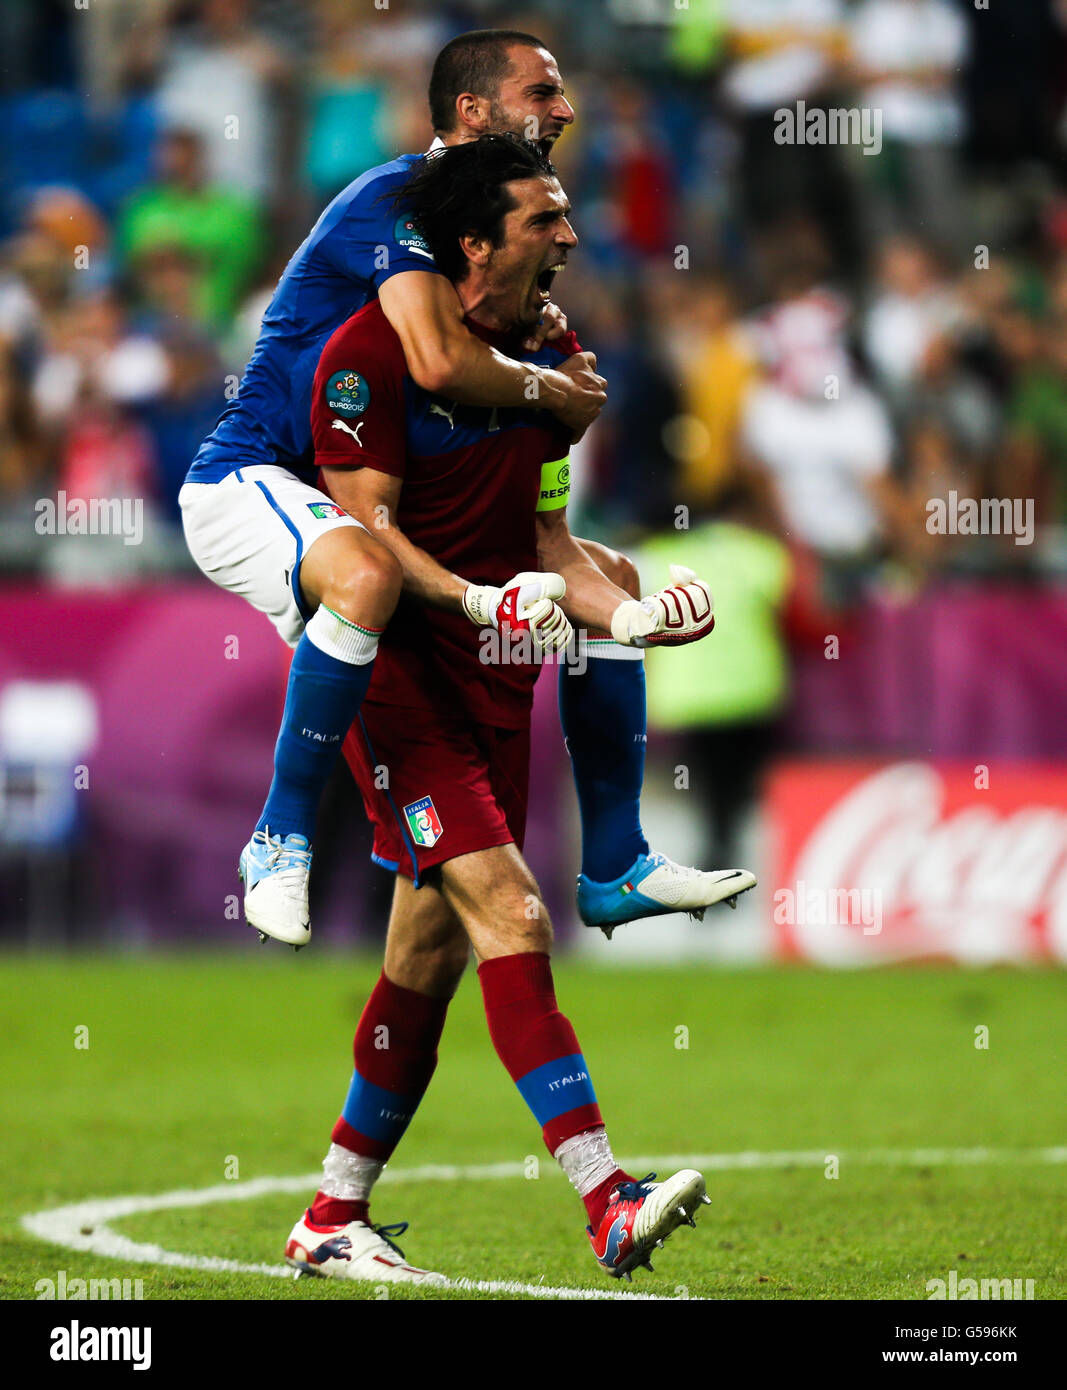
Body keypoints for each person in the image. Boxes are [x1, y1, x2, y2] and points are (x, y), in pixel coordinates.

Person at [179, 29, 753, 949]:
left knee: (608, 577)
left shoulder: (500, 243)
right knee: (367, 573)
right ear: (473, 111)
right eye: (542, 92)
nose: (565, 110)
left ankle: (616, 862)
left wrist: (636, 613)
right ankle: (279, 838)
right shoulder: (397, 201)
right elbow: (440, 361)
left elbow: (506, 399)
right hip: (260, 475)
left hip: (371, 499)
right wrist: (549, 390)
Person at [283, 135, 730, 1287]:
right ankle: (606, 1198)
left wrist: (631, 615)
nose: (570, 236)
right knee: (513, 914)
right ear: (473, 244)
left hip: (498, 679)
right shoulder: (366, 356)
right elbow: (367, 539)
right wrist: (478, 599)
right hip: (401, 681)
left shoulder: (555, 355)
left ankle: (332, 1212)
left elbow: (548, 542)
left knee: (425, 953)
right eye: (544, 218)